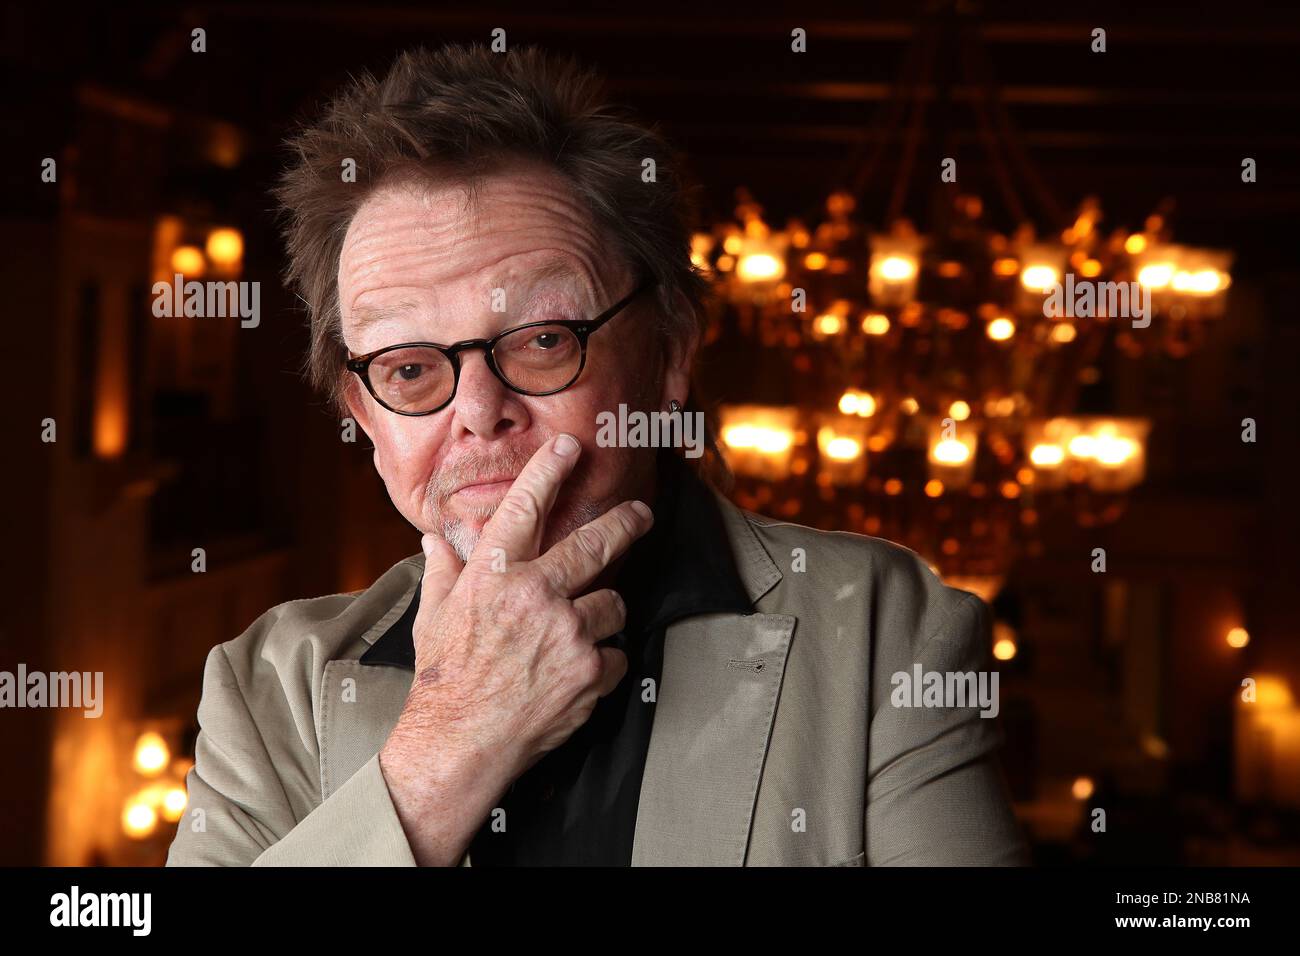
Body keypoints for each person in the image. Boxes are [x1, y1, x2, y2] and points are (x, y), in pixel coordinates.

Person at [166, 43, 1028, 867]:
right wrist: (449, 744)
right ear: (364, 414)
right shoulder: (265, 689)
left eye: (545, 339)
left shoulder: (883, 631)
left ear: (671, 352)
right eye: (411, 369)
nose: (479, 415)